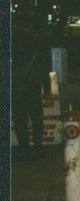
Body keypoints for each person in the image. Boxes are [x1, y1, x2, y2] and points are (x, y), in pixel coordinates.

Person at [12, 24, 49, 159]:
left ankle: (23, 150)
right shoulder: (38, 41)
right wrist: (47, 87)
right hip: (33, 86)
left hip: (16, 86)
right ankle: (38, 149)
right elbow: (44, 67)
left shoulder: (11, 41)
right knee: (36, 118)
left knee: (20, 120)